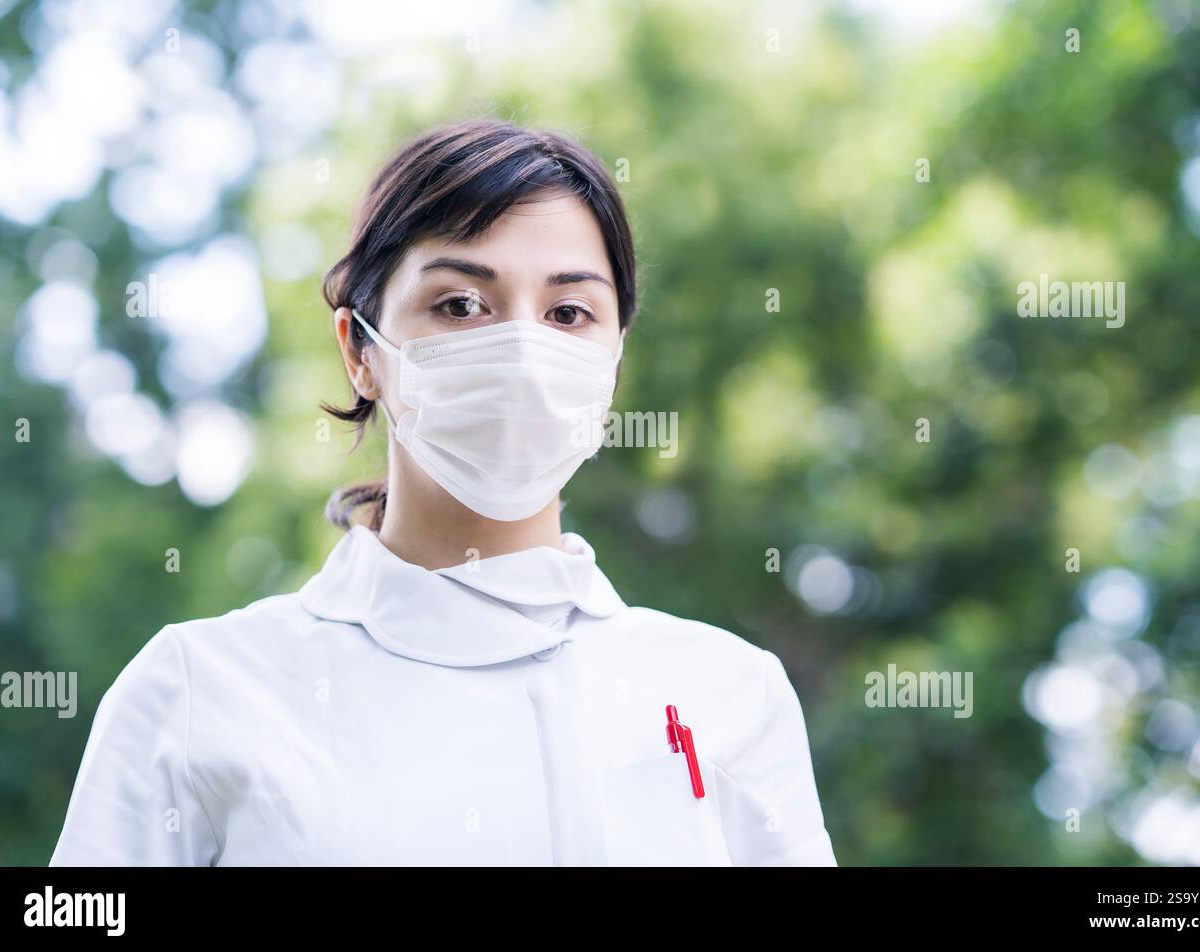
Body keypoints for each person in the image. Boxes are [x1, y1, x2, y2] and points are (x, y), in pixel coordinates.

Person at [49, 118, 837, 866]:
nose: (525, 354)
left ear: (615, 359)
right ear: (360, 349)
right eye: (461, 305)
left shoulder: (728, 695)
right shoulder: (200, 693)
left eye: (569, 312)